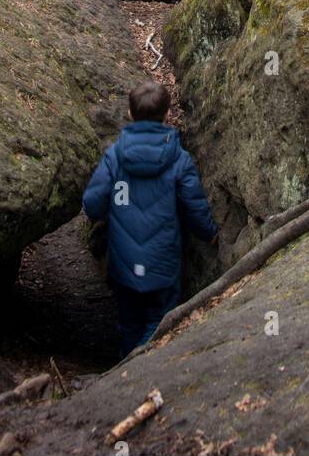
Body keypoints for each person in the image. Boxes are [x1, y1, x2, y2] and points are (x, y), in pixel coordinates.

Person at [82, 79, 218, 358]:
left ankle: (126, 370)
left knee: (129, 323)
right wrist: (210, 233)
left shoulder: (115, 157)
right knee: (160, 322)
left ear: (130, 114)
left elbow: (93, 204)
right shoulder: (179, 159)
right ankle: (144, 367)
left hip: (125, 264)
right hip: (163, 264)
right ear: (167, 114)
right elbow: (194, 206)